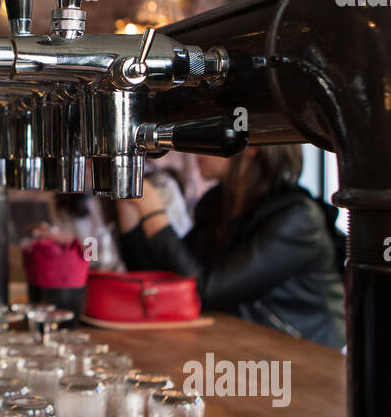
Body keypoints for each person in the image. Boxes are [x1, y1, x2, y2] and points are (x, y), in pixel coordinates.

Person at [116, 145, 346, 349]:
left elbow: (205, 291)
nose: (195, 148)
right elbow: (167, 279)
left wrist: (153, 212)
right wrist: (129, 208)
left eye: (212, 133)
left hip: (305, 359)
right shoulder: (217, 204)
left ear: (250, 147)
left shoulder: (297, 218)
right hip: (243, 349)